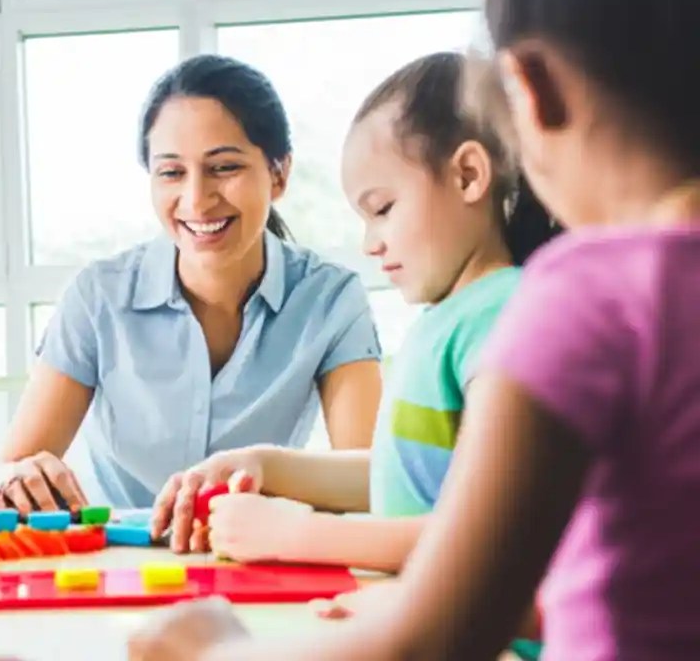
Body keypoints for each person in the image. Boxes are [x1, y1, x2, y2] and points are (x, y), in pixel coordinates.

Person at [129, 0, 700, 658]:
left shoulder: (579, 300)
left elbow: (445, 635)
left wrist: (214, 648)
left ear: (531, 90)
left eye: (382, 209)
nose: (371, 242)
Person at [152, 51, 559, 573]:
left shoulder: (507, 317)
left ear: (468, 175)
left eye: (383, 209)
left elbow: (498, 534)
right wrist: (265, 465)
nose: (370, 243)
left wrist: (300, 535)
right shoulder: (452, 318)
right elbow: (405, 477)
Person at [0, 55, 384, 524]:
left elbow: (370, 480)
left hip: (253, 555)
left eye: (224, 168)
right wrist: (19, 478)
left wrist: (267, 471)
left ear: (279, 174)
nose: (197, 200)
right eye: (172, 173)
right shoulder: (99, 298)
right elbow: (11, 471)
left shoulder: (330, 299)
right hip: (116, 557)